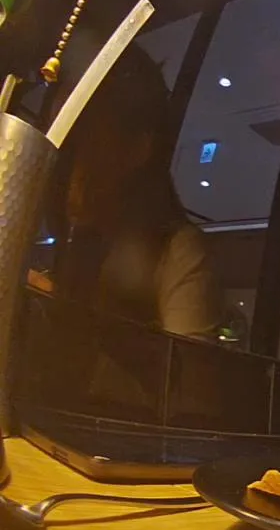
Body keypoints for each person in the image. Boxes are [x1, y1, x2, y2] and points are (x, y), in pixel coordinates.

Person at [28, 45, 222, 340]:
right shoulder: (80, 239)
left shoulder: (178, 253)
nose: (61, 161)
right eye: (57, 140)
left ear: (137, 149)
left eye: (83, 137)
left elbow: (185, 369)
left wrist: (61, 312)